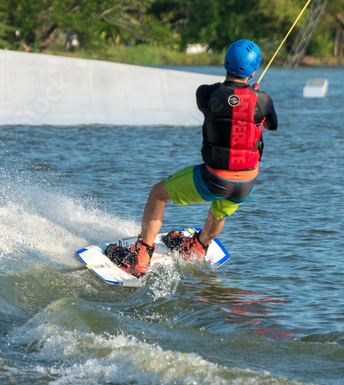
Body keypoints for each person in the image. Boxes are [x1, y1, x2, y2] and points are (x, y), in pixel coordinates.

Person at [107, 39, 278, 276]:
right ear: (254, 70)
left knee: (158, 195)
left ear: (225, 62)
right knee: (219, 211)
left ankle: (142, 254)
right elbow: (270, 126)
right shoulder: (264, 100)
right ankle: (198, 246)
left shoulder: (206, 93)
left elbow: (225, 105)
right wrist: (254, 96)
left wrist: (242, 96)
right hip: (245, 184)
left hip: (214, 178)